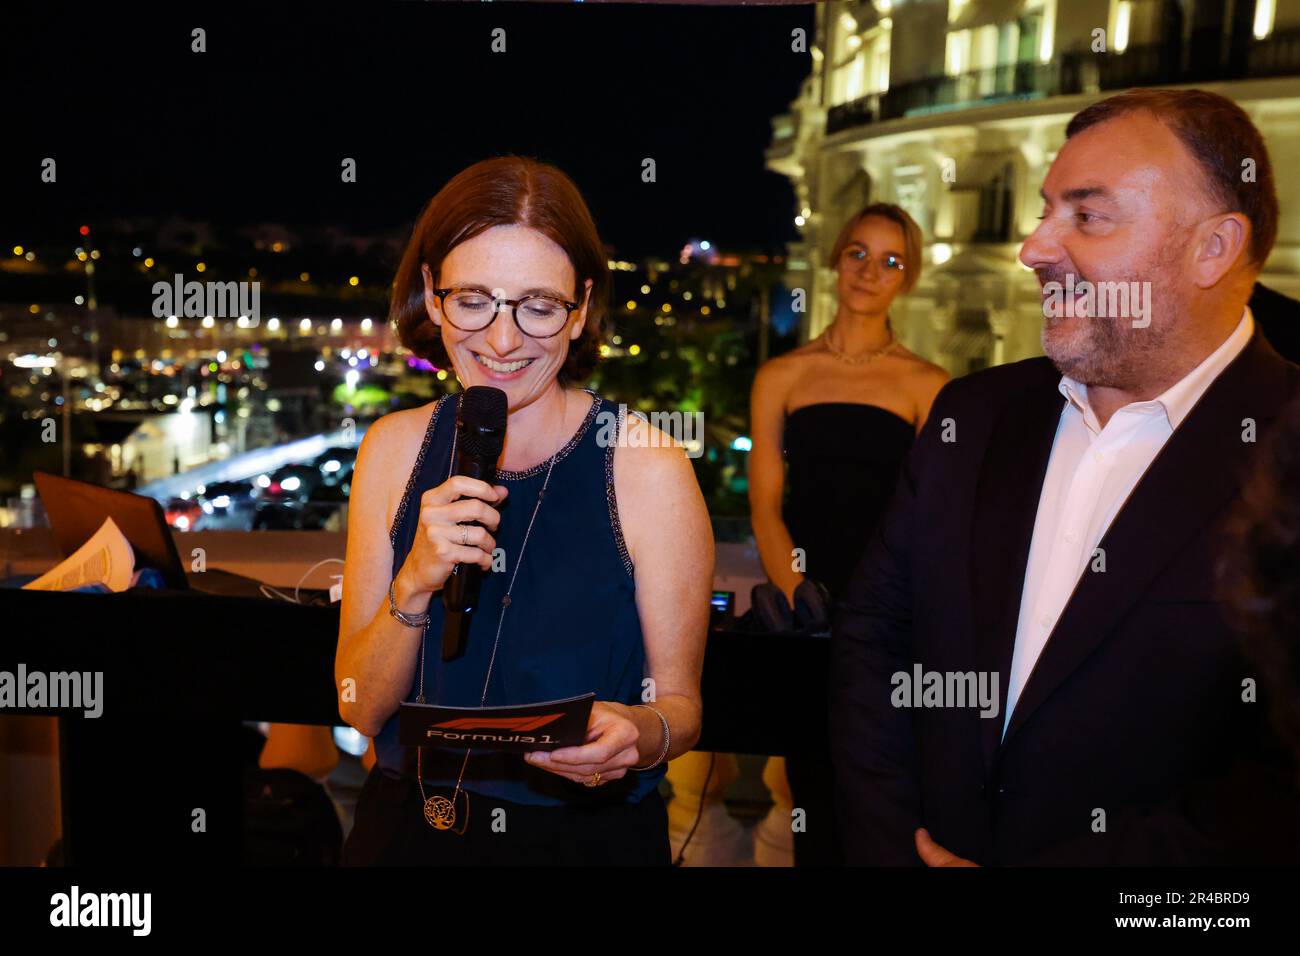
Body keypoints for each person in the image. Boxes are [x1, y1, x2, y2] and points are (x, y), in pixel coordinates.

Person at [830, 88, 1300, 866]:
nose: (1034, 248)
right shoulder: (972, 416)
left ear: (1212, 248)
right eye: (1048, 210)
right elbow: (875, 641)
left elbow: (1276, 785)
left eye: (1088, 216)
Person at [336, 156, 713, 866]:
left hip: (586, 841)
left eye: (538, 305)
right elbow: (359, 707)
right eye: (474, 299)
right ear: (431, 295)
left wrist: (639, 731)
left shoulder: (647, 466)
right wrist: (414, 582)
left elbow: (681, 713)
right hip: (410, 829)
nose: (504, 341)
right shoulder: (391, 449)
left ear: (581, 310)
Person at [748, 202, 947, 866]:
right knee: (811, 790)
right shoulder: (781, 375)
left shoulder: (928, 385)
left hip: (890, 619)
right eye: (858, 252)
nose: (870, 270)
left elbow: (930, 520)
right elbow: (766, 508)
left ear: (908, 278)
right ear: (836, 260)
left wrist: (879, 613)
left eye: (891, 261)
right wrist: (802, 597)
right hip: (806, 613)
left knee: (881, 791)